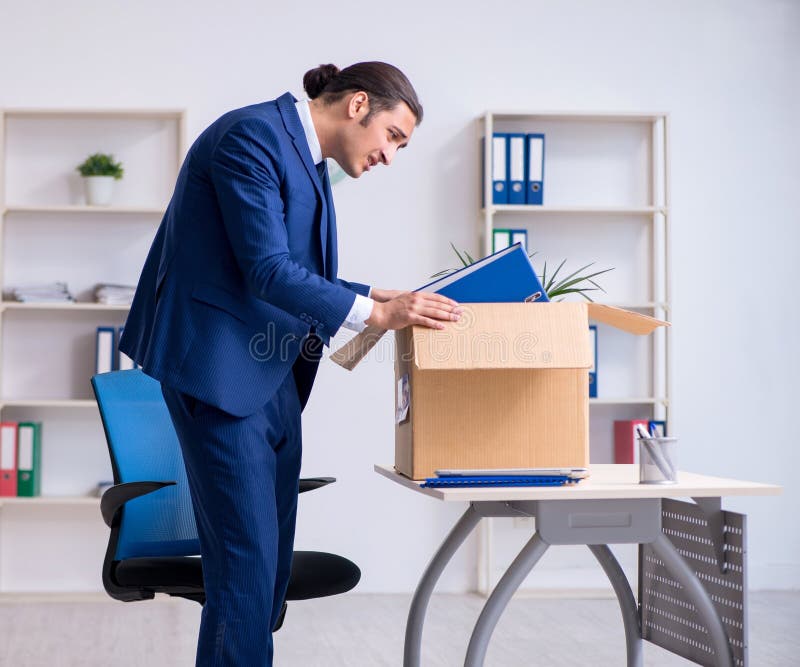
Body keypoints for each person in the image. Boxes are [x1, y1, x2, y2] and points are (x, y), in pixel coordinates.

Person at [119, 61, 462, 665]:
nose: (390, 156)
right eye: (392, 137)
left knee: (269, 574)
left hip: (271, 376)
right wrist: (374, 313)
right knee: (245, 572)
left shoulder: (308, 160)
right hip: (220, 374)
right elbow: (265, 270)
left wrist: (371, 295)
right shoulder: (251, 136)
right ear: (358, 104)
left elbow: (292, 271)